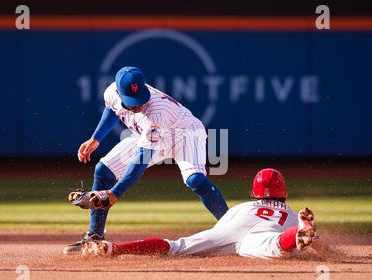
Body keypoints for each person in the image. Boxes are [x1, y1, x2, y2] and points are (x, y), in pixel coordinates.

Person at [63, 66, 229, 254]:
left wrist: (115, 193)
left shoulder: (155, 113)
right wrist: (96, 138)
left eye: (140, 98)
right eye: (131, 102)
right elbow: (112, 109)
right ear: (118, 91)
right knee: (103, 171)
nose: (138, 105)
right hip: (151, 135)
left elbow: (141, 161)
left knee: (195, 180)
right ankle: (94, 236)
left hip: (186, 133)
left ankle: (232, 227)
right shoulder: (111, 92)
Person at [81, 168, 319, 259]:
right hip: (272, 229)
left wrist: (218, 240)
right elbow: (320, 247)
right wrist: (310, 239)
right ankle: (295, 234)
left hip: (231, 225)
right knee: (278, 246)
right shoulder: (289, 211)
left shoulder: (243, 206)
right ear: (284, 192)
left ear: (254, 192)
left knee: (177, 247)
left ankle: (116, 248)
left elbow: (223, 225)